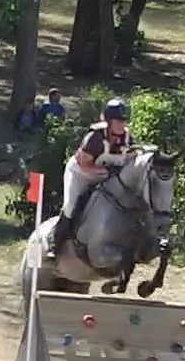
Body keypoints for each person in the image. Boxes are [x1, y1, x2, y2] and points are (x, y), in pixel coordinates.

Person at [50, 98, 135, 251]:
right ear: (108, 121)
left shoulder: (128, 139)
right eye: (118, 121)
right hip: (80, 174)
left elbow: (130, 159)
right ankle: (55, 244)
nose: (122, 125)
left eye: (124, 121)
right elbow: (85, 165)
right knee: (70, 206)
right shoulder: (95, 138)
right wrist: (108, 171)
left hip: (104, 176)